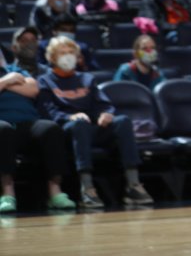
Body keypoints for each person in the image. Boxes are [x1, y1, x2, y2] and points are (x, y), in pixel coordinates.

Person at [36, 36, 154, 209]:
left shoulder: (87, 78)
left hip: (91, 127)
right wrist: (70, 117)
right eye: (62, 53)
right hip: (66, 131)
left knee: (123, 121)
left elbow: (103, 104)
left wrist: (106, 114)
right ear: (52, 57)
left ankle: (133, 185)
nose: (68, 56)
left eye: (71, 52)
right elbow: (48, 112)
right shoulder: (45, 81)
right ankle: (87, 188)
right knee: (80, 124)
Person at [0, 29, 75, 212]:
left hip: (28, 123)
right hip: (3, 124)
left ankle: (55, 192)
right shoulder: (11, 75)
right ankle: (7, 193)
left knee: (50, 128)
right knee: (3, 129)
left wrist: (5, 82)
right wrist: (8, 81)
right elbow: (23, 87)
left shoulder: (14, 69)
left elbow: (33, 89)